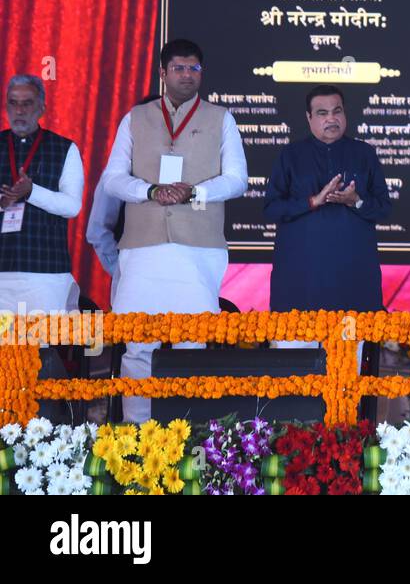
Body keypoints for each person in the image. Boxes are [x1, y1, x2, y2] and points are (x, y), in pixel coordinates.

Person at [102, 39, 248, 422]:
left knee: (192, 343)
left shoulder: (222, 118)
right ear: (163, 73)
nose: (187, 75)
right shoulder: (135, 117)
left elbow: (237, 180)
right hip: (142, 247)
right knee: (138, 346)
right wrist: (149, 190)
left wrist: (194, 191)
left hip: (198, 248)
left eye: (194, 69)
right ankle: (135, 437)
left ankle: (188, 436)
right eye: (179, 68)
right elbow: (113, 179)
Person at [265, 85, 391, 312]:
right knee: (298, 344)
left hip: (353, 276)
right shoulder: (291, 155)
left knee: (353, 345)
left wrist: (355, 201)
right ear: (309, 117)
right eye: (322, 113)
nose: (331, 119)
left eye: (337, 111)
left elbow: (383, 208)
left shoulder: (364, 154)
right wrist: (312, 202)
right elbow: (271, 208)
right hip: (302, 276)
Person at [0, 74, 84, 314]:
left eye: (27, 103)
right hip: (2, 270)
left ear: (42, 108)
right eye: (13, 103)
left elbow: (72, 206)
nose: (19, 110)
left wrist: (31, 192)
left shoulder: (64, 148)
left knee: (41, 348)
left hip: (45, 270)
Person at [86, 94, 160, 306]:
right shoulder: (118, 173)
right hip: (132, 284)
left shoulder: (180, 168)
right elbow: (98, 230)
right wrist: (121, 269)